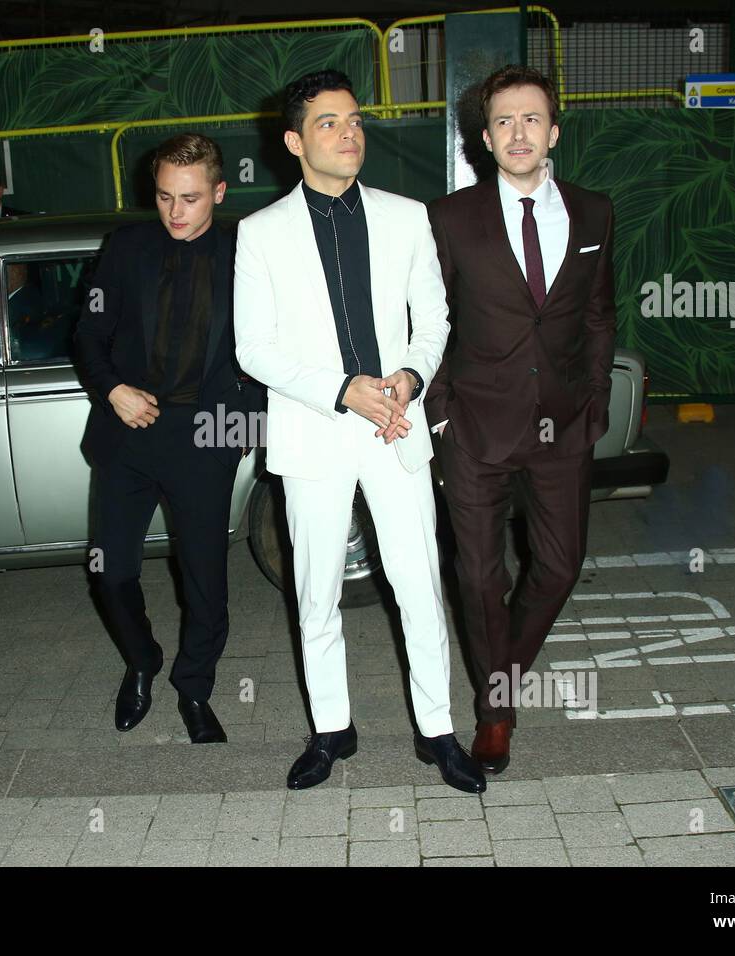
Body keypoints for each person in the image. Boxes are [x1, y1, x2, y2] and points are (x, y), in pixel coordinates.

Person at [234, 70, 484, 793]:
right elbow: (255, 346)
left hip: (396, 428)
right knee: (315, 593)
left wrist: (408, 376)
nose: (350, 134)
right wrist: (344, 390)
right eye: (329, 123)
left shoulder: (409, 217)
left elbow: (434, 320)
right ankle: (331, 730)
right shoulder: (260, 233)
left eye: (355, 120)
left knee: (418, 586)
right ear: (293, 141)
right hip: (316, 434)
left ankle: (437, 732)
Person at [426, 65, 617, 774]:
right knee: (478, 579)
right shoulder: (449, 218)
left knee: (561, 567)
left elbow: (600, 313)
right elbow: (430, 321)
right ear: (484, 137)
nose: (518, 132)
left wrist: (594, 398)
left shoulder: (595, 212)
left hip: (564, 427)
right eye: (503, 121)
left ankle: (498, 672)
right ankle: (496, 710)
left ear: (554, 130)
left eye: (531, 118)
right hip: (474, 428)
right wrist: (441, 413)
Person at [74, 133, 262, 744]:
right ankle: (142, 660)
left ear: (219, 192)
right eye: (163, 197)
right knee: (109, 571)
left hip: (206, 436)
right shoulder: (126, 248)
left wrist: (243, 427)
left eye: (189, 198)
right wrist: (113, 390)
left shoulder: (247, 253)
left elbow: (273, 348)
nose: (175, 212)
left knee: (204, 578)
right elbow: (87, 335)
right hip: (129, 431)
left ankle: (194, 687)